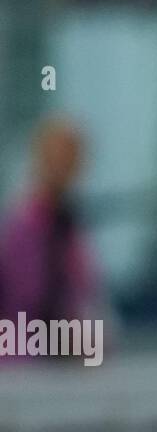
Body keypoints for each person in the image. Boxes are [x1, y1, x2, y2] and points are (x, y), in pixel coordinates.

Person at [0, 119, 100, 340]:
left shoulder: (68, 225)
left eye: (70, 159)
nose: (62, 168)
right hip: (24, 357)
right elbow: (27, 302)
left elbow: (85, 291)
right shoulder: (25, 224)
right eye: (56, 158)